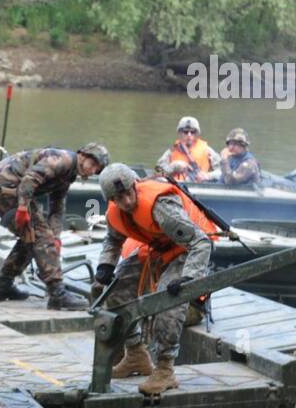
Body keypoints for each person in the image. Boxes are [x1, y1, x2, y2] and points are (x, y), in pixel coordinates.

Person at [93, 164, 219, 395]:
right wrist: (105, 265)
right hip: (158, 249)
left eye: (128, 193)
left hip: (186, 250)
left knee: (167, 301)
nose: (126, 201)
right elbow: (112, 241)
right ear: (111, 200)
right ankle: (135, 354)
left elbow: (201, 243)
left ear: (135, 186)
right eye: (118, 198)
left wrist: (189, 277)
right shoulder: (115, 213)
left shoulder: (161, 207)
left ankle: (164, 369)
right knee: (115, 290)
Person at [0, 142, 110, 308]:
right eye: (92, 164)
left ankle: (4, 286)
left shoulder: (68, 174)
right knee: (41, 237)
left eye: (97, 169)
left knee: (31, 238)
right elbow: (29, 179)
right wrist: (23, 208)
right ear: (83, 155)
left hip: (5, 186)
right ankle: (57, 293)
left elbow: (57, 208)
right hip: (7, 185)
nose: (92, 170)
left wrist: (56, 237)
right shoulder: (64, 160)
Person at [156, 116, 219, 182]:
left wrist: (208, 176)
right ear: (180, 133)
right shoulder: (171, 151)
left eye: (192, 132)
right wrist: (174, 166)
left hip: (200, 187)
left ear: (197, 134)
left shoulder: (207, 150)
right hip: (176, 188)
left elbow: (221, 172)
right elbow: (157, 172)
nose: (189, 135)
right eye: (185, 132)